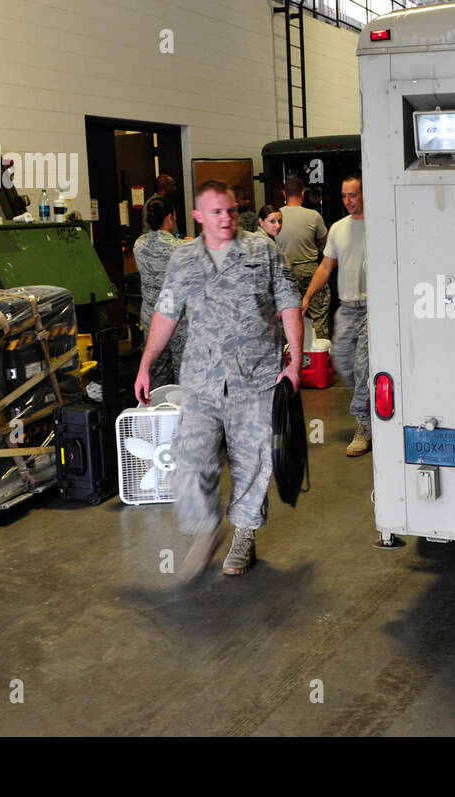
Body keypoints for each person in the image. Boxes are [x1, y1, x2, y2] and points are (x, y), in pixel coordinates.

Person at [135, 180, 303, 581]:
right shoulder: (185, 260)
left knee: (252, 462)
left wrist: (295, 361)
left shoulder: (262, 249)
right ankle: (208, 528)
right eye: (216, 212)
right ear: (198, 216)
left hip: (256, 375)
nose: (225, 218)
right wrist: (145, 363)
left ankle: (244, 535)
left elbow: (288, 301)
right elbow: (167, 313)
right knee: (190, 458)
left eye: (230, 210)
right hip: (202, 378)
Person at [302, 173, 368, 456]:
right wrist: (307, 297)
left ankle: (365, 425)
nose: (347, 201)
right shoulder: (338, 228)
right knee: (342, 360)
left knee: (363, 364)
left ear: (365, 194)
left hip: (373, 307)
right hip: (347, 307)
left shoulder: (380, 223)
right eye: (344, 196)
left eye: (352, 195)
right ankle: (373, 405)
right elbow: (326, 267)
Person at [133, 195, 188, 387]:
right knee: (184, 377)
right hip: (179, 323)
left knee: (157, 378)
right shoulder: (182, 248)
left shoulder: (139, 245)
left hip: (151, 321)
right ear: (171, 217)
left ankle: (158, 415)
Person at [276, 177, 330, 340]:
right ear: (302, 193)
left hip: (284, 274)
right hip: (310, 272)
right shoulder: (313, 216)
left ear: (284, 193)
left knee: (287, 317)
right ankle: (320, 356)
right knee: (318, 315)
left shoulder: (275, 217)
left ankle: (290, 356)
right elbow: (325, 239)